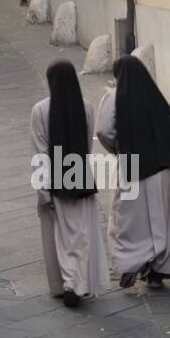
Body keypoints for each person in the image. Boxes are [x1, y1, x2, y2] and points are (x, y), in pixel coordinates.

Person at [96, 56, 170, 289]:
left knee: (130, 218)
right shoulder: (154, 95)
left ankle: (131, 263)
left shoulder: (114, 97)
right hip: (165, 167)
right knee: (166, 217)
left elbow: (103, 131)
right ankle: (159, 269)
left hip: (133, 164)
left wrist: (117, 149)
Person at [31, 60, 111, 308]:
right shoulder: (86, 107)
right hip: (79, 175)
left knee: (60, 235)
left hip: (56, 179)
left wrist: (43, 190)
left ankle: (69, 282)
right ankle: (79, 282)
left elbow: (40, 152)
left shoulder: (40, 110)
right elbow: (87, 143)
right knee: (82, 233)